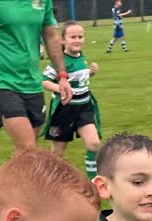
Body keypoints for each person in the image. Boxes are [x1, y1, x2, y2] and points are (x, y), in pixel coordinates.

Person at [0, 0, 72, 153]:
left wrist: (62, 76)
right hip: (2, 83)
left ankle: (11, 178)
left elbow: (51, 37)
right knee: (28, 148)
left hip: (33, 83)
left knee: (26, 153)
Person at [42, 21, 101, 180]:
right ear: (63, 40)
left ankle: (94, 181)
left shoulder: (81, 57)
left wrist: (90, 73)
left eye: (80, 36)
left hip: (84, 107)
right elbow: (44, 81)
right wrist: (60, 89)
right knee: (57, 154)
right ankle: (52, 184)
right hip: (64, 110)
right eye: (73, 37)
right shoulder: (59, 61)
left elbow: (78, 79)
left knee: (94, 144)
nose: (77, 40)